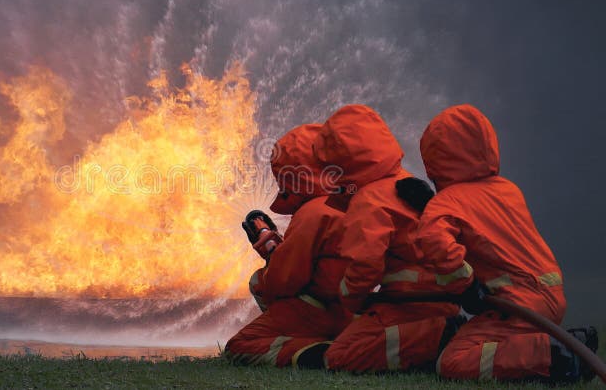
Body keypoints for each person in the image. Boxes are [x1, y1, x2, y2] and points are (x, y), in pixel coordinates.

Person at [404, 104, 597, 382]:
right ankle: (565, 343)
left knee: (453, 361)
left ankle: (555, 356)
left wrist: (466, 285)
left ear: (435, 163)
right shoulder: (509, 190)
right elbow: (484, 227)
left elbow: (433, 240)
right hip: (552, 296)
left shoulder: (447, 202)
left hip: (517, 305)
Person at [313, 105, 472, 372]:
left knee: (339, 356)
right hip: (439, 300)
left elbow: (365, 267)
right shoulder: (404, 181)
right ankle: (439, 334)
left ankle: (438, 339)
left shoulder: (369, 200)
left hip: (411, 305)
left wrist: (349, 299)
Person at [224, 124, 352, 368]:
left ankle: (313, 352)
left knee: (240, 346)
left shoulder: (313, 215)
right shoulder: (355, 200)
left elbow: (285, 281)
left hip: (316, 310)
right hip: (353, 308)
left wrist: (272, 263)